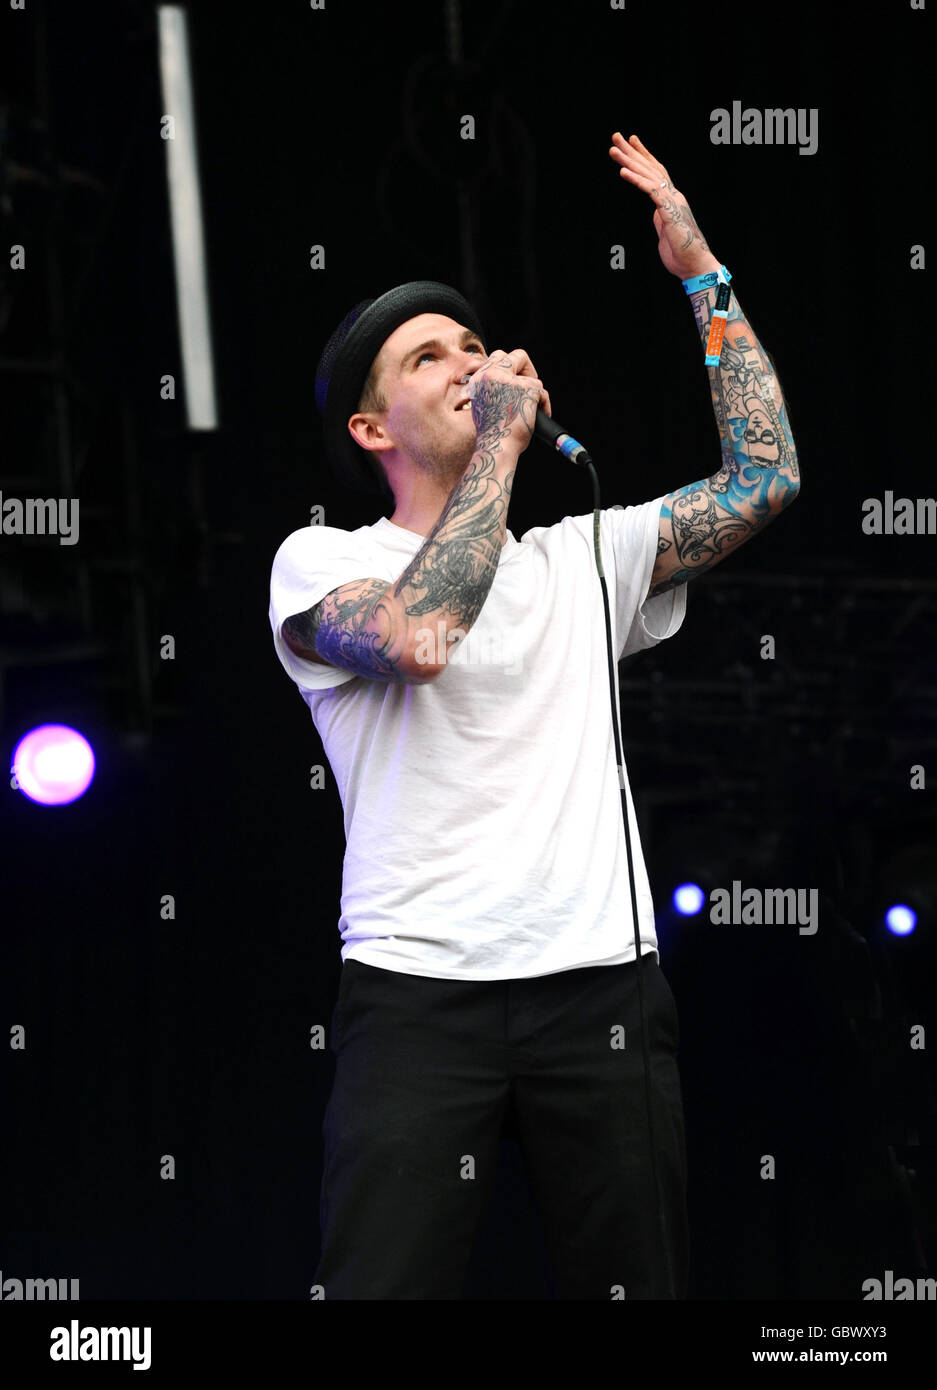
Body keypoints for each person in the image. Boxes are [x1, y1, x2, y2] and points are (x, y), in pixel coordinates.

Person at [268, 132, 800, 1300]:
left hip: (600, 980)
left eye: (473, 344)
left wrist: (702, 277)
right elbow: (420, 637)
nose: (467, 363)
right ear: (371, 429)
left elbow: (765, 478)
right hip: (417, 992)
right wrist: (502, 442)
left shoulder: (582, 558)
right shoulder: (320, 562)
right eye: (428, 359)